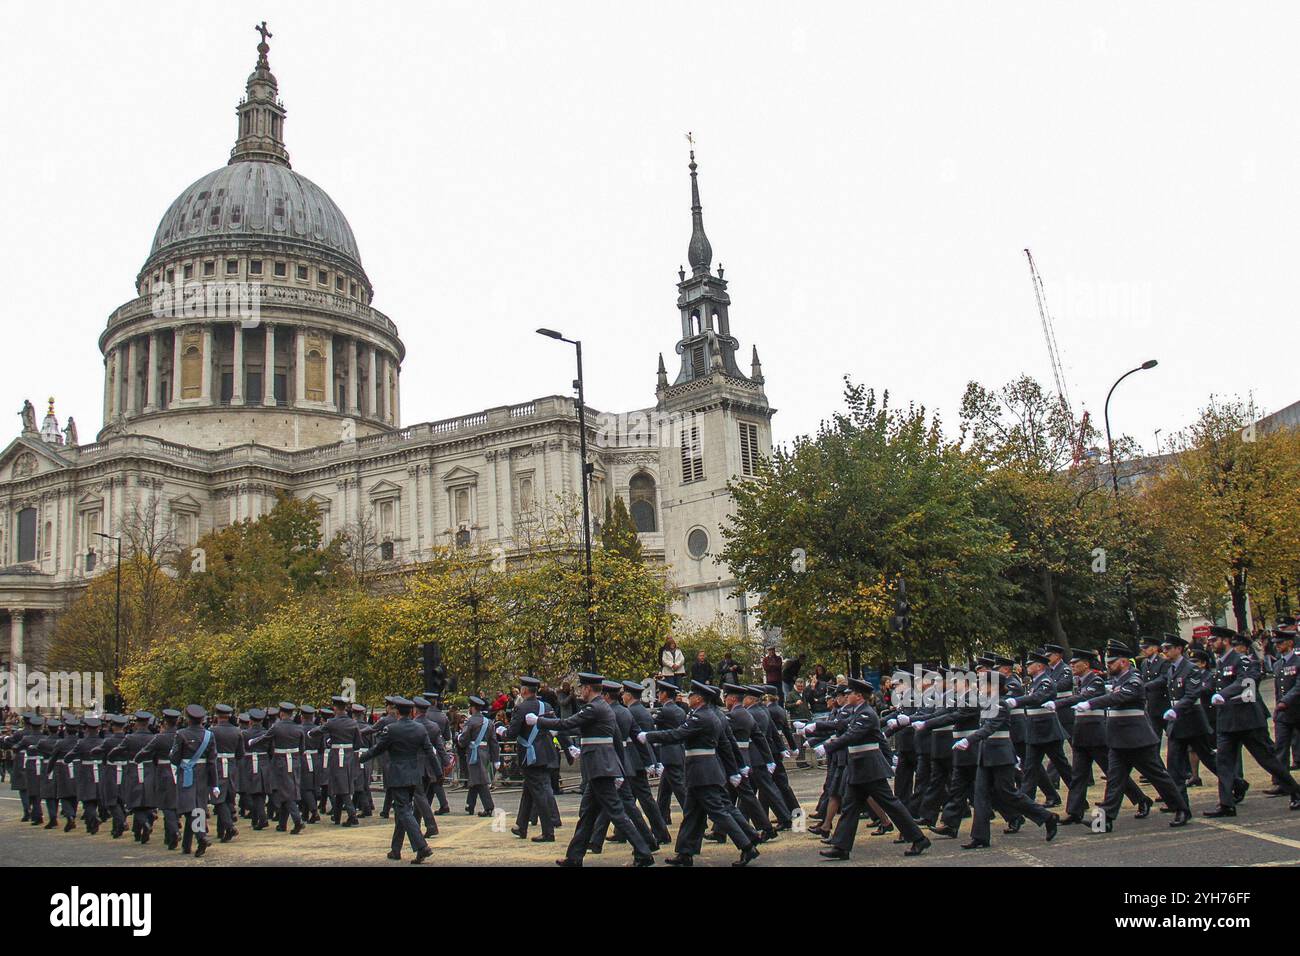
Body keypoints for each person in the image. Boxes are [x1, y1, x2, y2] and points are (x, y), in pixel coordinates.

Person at [531, 672, 655, 867]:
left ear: (588, 689)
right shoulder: (603, 708)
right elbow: (610, 738)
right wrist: (619, 770)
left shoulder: (594, 707)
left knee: (617, 812)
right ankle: (574, 857)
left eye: (582, 688)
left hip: (599, 767)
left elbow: (568, 723)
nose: (580, 691)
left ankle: (643, 853)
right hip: (601, 767)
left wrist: (539, 721)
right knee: (587, 814)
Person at [1071, 640, 1191, 831]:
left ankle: (1182, 809)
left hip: (1137, 739)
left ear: (1124, 662)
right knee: (1114, 782)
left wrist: (1091, 703)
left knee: (1159, 777)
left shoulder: (1134, 679)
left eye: (1112, 663)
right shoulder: (1118, 680)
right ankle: (1104, 821)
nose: (1108, 666)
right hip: (1118, 740)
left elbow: (1119, 697)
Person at [640, 680, 759, 867]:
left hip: (702, 772)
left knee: (719, 812)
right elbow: (726, 745)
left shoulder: (701, 718)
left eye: (692, 695)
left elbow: (677, 735)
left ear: (698, 698)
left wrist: (648, 736)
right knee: (692, 813)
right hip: (702, 771)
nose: (689, 697)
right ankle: (685, 852)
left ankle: (747, 846)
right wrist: (733, 770)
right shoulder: (707, 715)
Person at [810, 677, 930, 860]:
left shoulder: (866, 713)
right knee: (850, 807)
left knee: (891, 804)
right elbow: (840, 725)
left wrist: (826, 747)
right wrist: (815, 728)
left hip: (869, 767)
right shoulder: (857, 712)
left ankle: (918, 838)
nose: (847, 696)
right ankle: (841, 846)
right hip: (859, 766)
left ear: (859, 696)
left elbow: (851, 735)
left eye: (850, 693)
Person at [1202, 627, 1300, 815]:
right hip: (1227, 720)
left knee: (1267, 760)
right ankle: (1226, 804)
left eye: (1214, 640)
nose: (1211, 643)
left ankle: (1295, 791)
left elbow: (1246, 682)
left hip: (1246, 720)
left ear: (1226, 640)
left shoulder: (1242, 661)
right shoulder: (1221, 663)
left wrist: (1223, 694)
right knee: (1223, 762)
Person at [357, 697, 436, 863]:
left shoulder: (390, 729)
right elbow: (430, 751)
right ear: (411, 712)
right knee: (402, 812)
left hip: (398, 775)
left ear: (397, 711)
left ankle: (422, 847)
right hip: (414, 774)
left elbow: (378, 749)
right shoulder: (420, 728)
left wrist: (360, 758)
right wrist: (439, 773)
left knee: (404, 811)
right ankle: (395, 849)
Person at [501, 675, 562, 842]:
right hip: (546, 753)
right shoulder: (546, 706)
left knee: (540, 794)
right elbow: (554, 727)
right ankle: (521, 826)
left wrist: (501, 731)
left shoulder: (520, 708)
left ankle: (548, 832)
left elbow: (512, 733)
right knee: (528, 792)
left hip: (530, 756)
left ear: (524, 691)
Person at [169, 704, 216, 857]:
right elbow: (211, 761)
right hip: (203, 774)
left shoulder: (181, 734)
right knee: (198, 807)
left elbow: (175, 758)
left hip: (186, 773)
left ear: (187, 718)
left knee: (190, 809)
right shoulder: (209, 735)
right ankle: (186, 845)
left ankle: (201, 836)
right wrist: (214, 783)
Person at [458, 696, 499, 816]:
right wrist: (496, 758)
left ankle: (489, 807)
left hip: (473, 753)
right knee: (476, 777)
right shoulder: (489, 722)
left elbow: (464, 739)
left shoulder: (470, 721)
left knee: (480, 780)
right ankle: (470, 805)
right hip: (485, 752)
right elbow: (494, 742)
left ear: (472, 708)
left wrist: (459, 739)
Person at [208, 704, 242, 843]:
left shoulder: (212, 731)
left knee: (218, 799)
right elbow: (240, 753)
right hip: (232, 765)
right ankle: (221, 831)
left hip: (217, 765)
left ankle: (228, 827)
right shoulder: (237, 731)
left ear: (217, 715)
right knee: (228, 797)